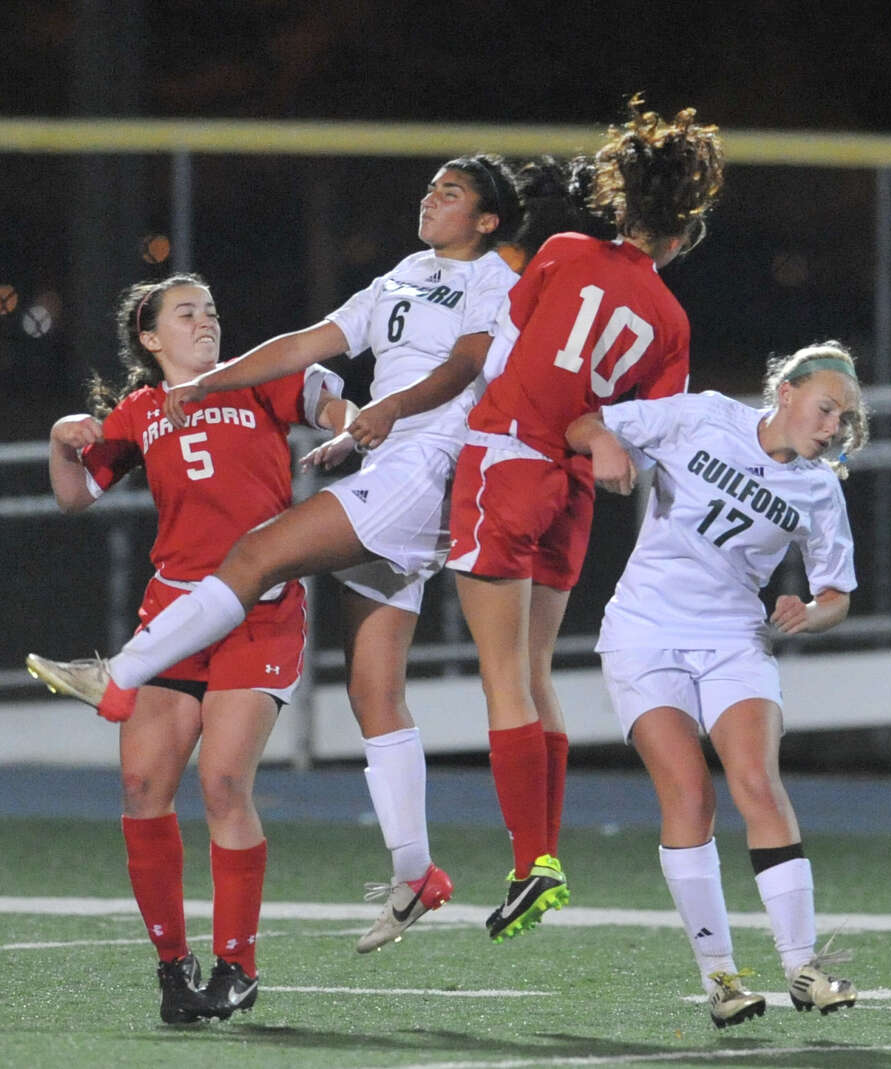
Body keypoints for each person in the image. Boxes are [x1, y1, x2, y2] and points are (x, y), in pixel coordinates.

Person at [26, 155, 526, 955]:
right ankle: (417, 870)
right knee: (374, 689)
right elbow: (307, 340)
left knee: (259, 553)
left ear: (489, 220)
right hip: (376, 475)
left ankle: (117, 674)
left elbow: (458, 365)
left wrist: (371, 410)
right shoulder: (402, 274)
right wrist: (205, 386)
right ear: (152, 338)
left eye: (453, 192)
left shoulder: (494, 277)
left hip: (424, 463)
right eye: (430, 185)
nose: (431, 198)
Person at [26, 274, 351, 1023]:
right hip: (175, 615)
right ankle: (175, 966)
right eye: (186, 313)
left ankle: (239, 964)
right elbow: (76, 495)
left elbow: (323, 399)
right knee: (142, 787)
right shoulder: (140, 411)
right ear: (149, 338)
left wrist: (348, 421)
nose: (205, 320)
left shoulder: (260, 378)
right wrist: (59, 441)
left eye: (210, 308)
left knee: (224, 782)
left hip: (258, 611)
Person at [444, 97, 725, 942]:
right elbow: (640, 429)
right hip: (569, 491)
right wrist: (595, 433)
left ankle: (535, 861)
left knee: (502, 678)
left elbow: (514, 342)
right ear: (677, 237)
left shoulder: (564, 251)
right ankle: (544, 855)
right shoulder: (671, 323)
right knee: (534, 670)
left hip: (505, 457)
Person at [564, 341, 868, 1028]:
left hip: (735, 639)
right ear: (785, 391)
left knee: (758, 784)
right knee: (690, 791)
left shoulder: (818, 487)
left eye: (841, 421)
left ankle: (802, 967)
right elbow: (583, 421)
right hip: (644, 631)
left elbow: (837, 594)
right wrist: (605, 444)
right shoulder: (703, 417)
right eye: (825, 410)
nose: (830, 429)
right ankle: (722, 977)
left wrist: (809, 612)